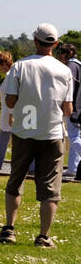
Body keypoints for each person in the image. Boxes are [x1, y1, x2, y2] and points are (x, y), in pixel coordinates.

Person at [0, 23, 74, 248]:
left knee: (16, 180)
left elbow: (10, 100)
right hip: (52, 133)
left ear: (35, 41)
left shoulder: (20, 66)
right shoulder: (64, 70)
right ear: (56, 44)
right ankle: (43, 236)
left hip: (24, 130)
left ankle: (9, 229)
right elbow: (67, 109)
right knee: (50, 186)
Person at [56, 43, 81, 182]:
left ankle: (74, 168)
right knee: (76, 136)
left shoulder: (71, 67)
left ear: (68, 54)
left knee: (73, 137)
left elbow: (67, 88)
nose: (60, 57)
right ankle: (73, 168)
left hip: (74, 106)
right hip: (79, 106)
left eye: (62, 54)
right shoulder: (79, 65)